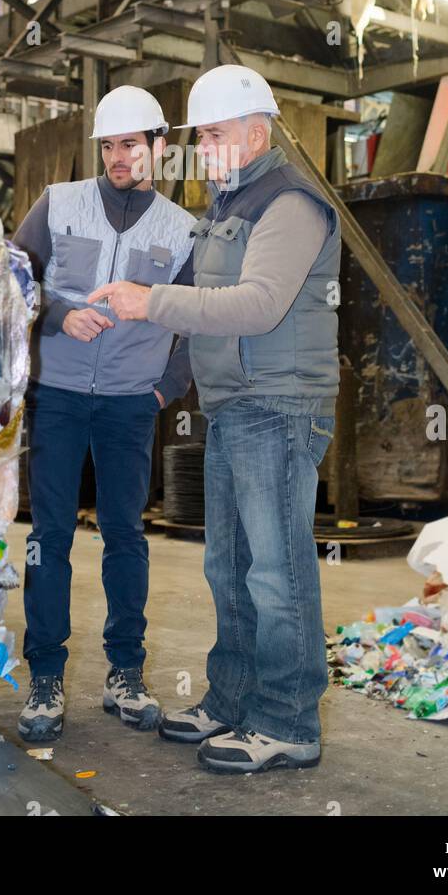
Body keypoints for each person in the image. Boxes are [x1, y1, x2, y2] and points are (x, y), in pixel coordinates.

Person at [88, 64, 340, 775]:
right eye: (199, 136)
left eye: (216, 133)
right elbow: (189, 297)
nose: (204, 147)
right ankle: (233, 699)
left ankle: (288, 720)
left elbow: (256, 305)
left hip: (280, 404)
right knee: (228, 567)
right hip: (233, 405)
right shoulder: (228, 204)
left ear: (256, 132)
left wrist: (149, 303)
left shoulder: (289, 203)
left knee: (277, 571)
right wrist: (146, 381)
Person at [13, 86, 196, 741]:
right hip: (57, 395)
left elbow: (197, 321)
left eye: (132, 145)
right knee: (48, 538)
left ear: (159, 149)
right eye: (110, 146)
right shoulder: (59, 205)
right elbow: (12, 276)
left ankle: (126, 673)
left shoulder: (182, 230)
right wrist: (60, 314)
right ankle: (44, 678)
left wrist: (162, 390)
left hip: (129, 403)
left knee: (126, 536)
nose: (120, 158)